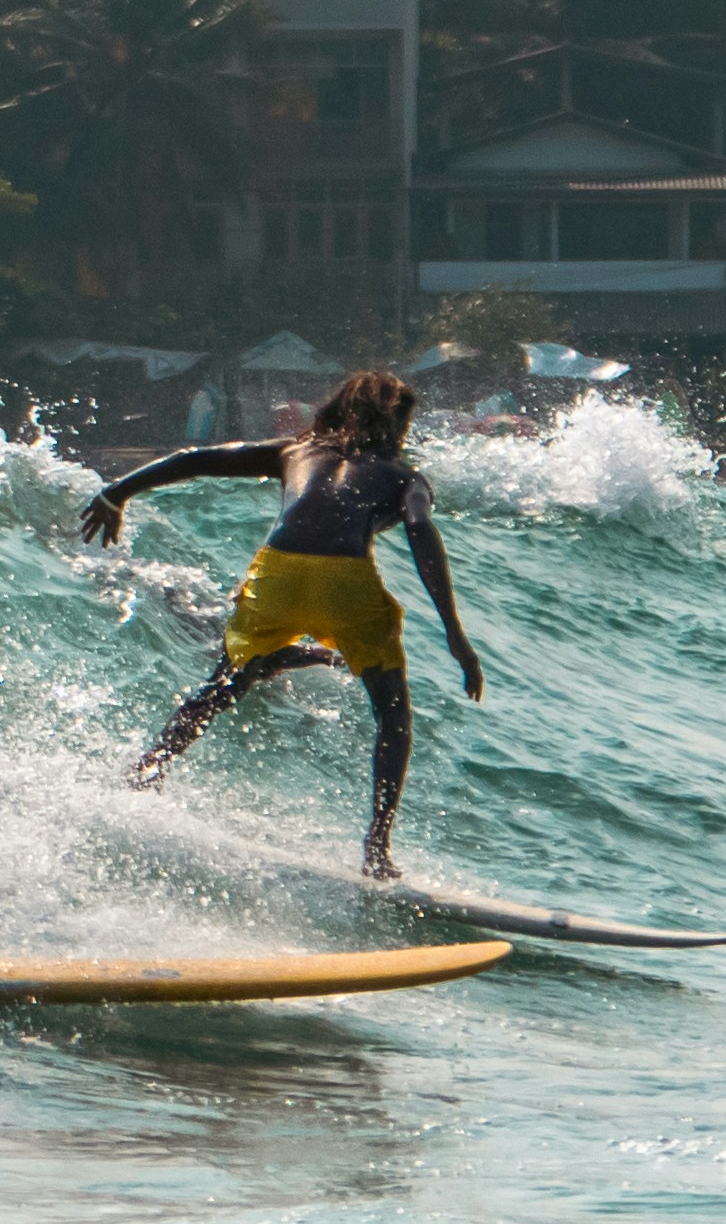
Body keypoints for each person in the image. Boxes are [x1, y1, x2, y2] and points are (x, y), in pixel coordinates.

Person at [79, 367, 488, 880]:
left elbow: (194, 461)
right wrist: (454, 631)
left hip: (279, 573)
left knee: (226, 682)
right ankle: (377, 845)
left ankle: (148, 769)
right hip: (347, 584)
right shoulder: (405, 478)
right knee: (392, 711)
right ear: (394, 425)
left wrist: (118, 491)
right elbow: (422, 531)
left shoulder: (293, 451)